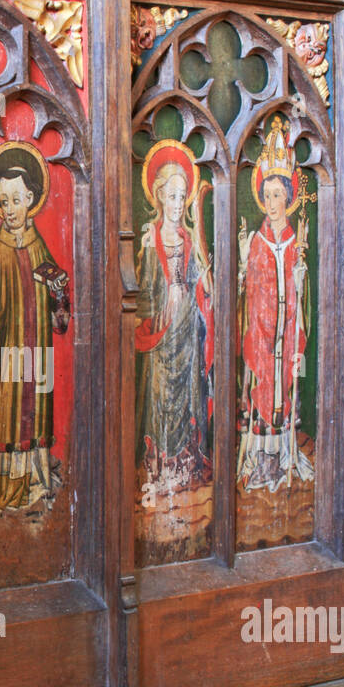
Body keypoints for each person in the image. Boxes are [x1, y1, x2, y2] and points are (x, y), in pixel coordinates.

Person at [0, 141, 71, 516]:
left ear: (30, 199)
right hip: (10, 352)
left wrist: (58, 295)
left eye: (16, 199)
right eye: (3, 201)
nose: (10, 209)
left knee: (34, 413)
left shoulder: (38, 245)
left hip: (36, 348)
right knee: (6, 413)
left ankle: (34, 483)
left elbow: (57, 305)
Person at [237, 115, 314, 493]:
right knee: (264, 388)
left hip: (287, 332)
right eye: (266, 196)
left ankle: (283, 457)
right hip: (263, 334)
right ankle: (261, 461)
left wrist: (299, 278)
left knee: (284, 389)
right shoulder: (257, 240)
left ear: (288, 196)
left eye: (277, 195)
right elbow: (252, 286)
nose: (271, 203)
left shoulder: (295, 243)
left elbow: (304, 294)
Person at [135, 142, 212, 488]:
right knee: (162, 395)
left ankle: (185, 458)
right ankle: (162, 461)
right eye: (172, 197)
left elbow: (204, 285)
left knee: (187, 393)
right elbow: (146, 287)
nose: (178, 205)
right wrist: (160, 306)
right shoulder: (151, 237)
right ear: (159, 198)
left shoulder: (191, 237)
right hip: (163, 330)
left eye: (183, 198)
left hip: (188, 327)